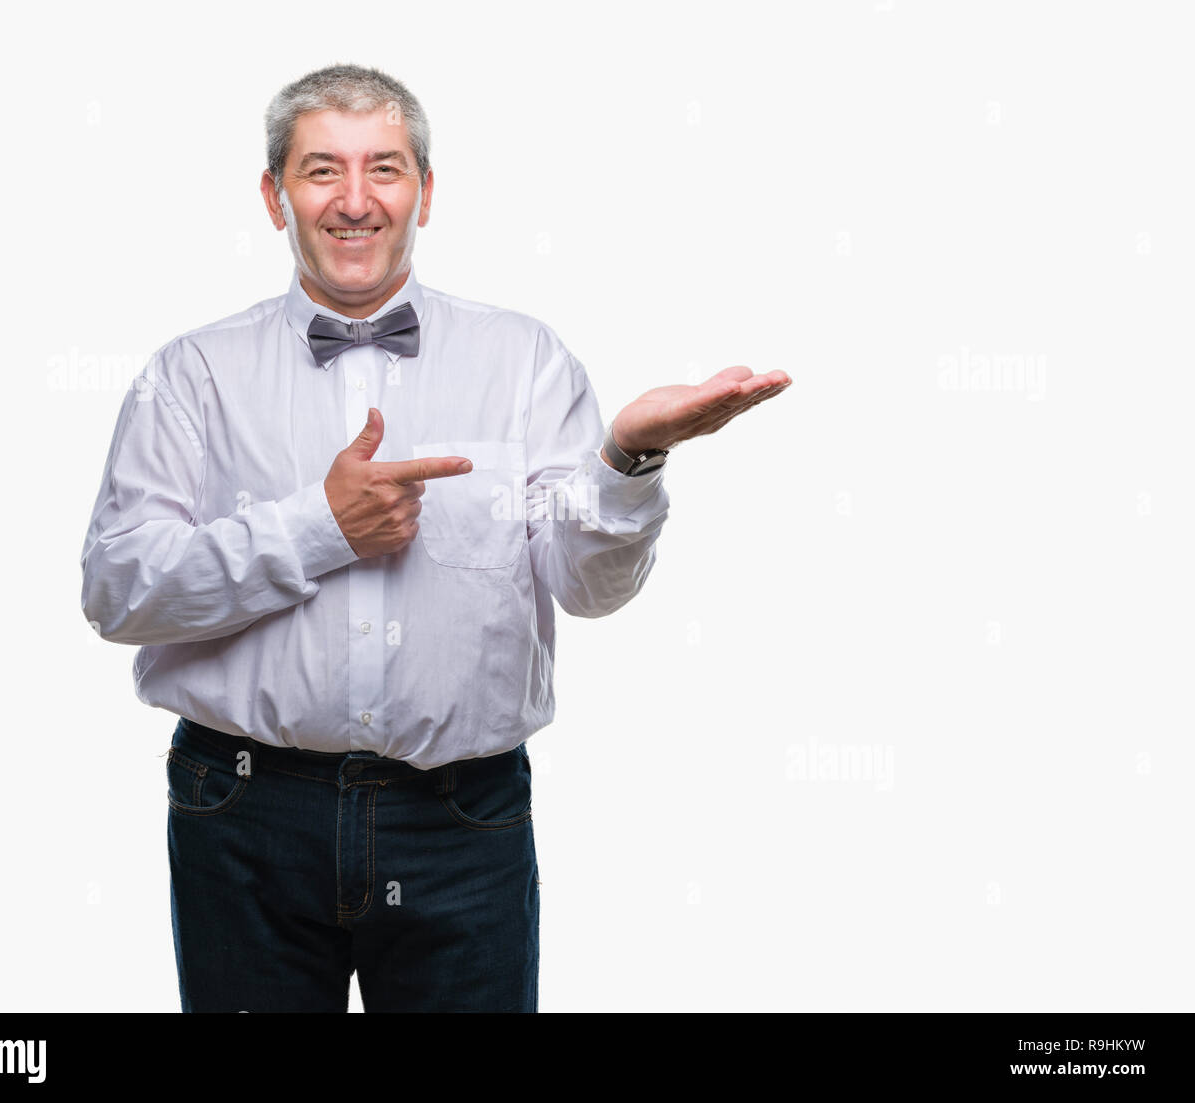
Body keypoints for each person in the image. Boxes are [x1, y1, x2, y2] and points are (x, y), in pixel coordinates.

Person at [79, 63, 792, 1013]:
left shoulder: (525, 360)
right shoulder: (192, 373)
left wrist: (628, 457)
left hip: (464, 817)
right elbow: (119, 590)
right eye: (321, 170)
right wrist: (319, 528)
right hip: (243, 808)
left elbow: (588, 586)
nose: (356, 201)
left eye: (386, 168)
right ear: (272, 195)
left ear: (426, 190)